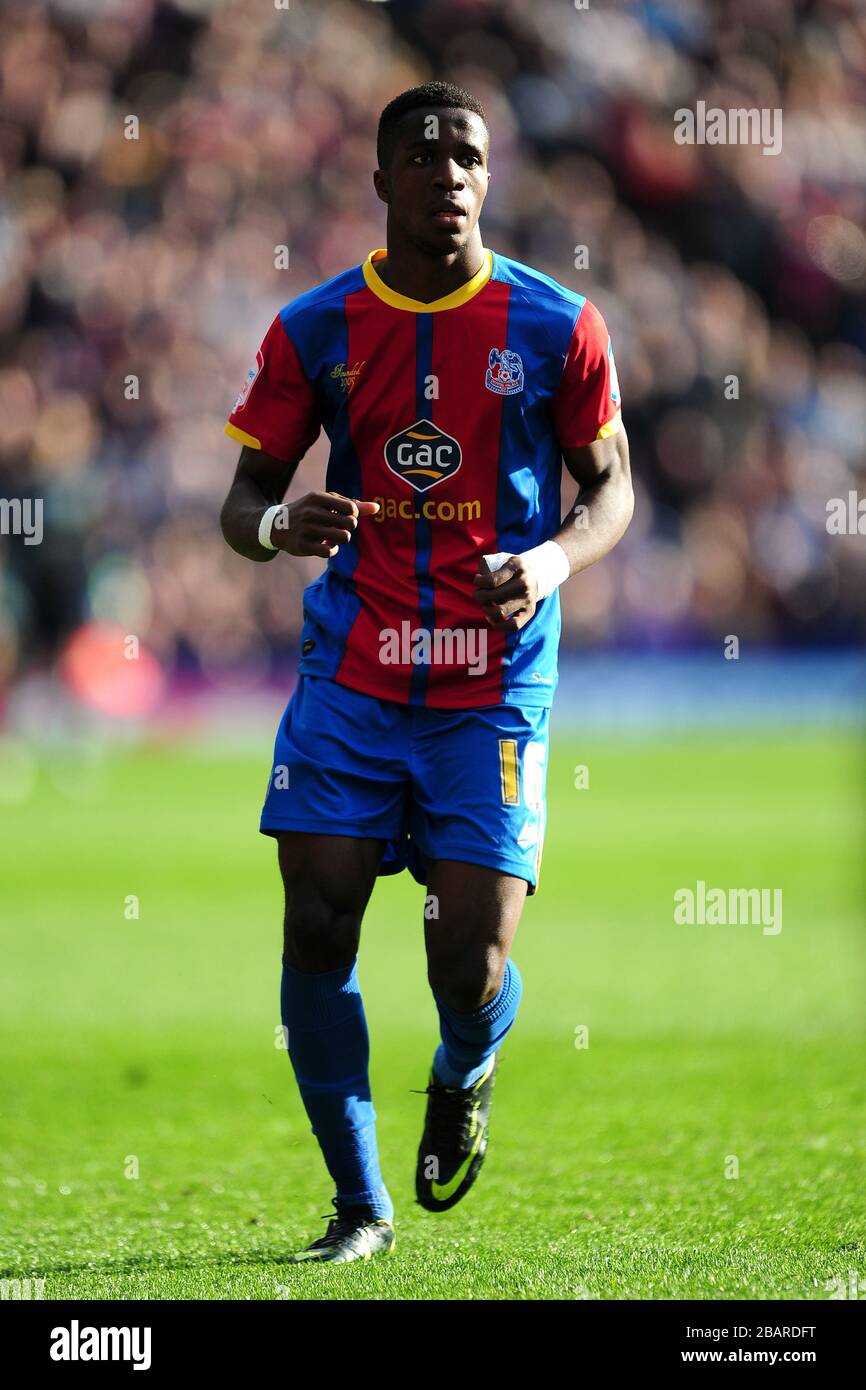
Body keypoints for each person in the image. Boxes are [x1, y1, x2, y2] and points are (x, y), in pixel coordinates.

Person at [220, 81, 633, 1264]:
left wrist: (548, 559)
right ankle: (358, 1206)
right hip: (351, 678)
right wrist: (274, 529)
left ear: (487, 181)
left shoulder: (557, 326)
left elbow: (611, 487)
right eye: (423, 152)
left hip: (490, 681)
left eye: (468, 156)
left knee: (469, 957)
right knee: (316, 919)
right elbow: (240, 502)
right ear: (381, 178)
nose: (448, 171)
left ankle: (467, 1064)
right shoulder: (316, 328)